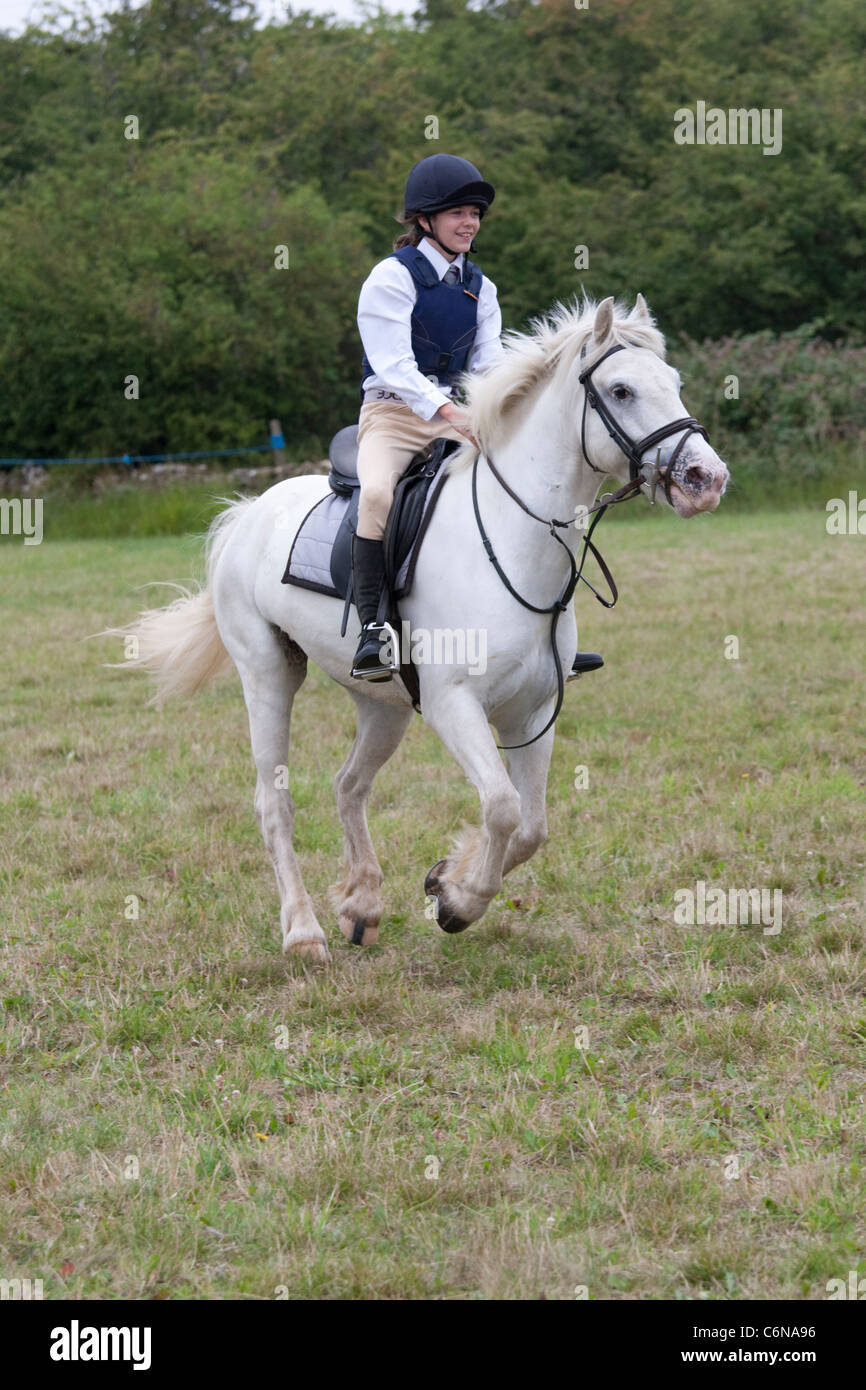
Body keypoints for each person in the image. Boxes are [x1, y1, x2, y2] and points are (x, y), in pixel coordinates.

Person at [352, 152, 603, 684]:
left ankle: (552, 630)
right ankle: (373, 630)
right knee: (375, 494)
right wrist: (449, 411)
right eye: (457, 214)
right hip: (394, 416)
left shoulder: (480, 287)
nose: (470, 223)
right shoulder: (390, 279)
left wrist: (494, 410)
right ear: (425, 220)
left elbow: (489, 366)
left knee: (539, 483)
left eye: (475, 214)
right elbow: (393, 365)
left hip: (461, 413)